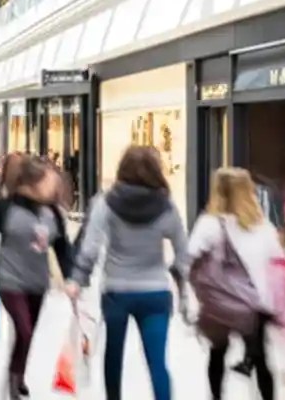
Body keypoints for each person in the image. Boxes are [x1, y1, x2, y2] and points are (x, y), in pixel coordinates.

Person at [67, 146, 189, 400]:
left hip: (116, 291)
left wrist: (78, 279)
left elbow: (89, 248)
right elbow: (183, 253)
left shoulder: (106, 202)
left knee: (113, 356)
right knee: (157, 362)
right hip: (155, 291)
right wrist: (181, 282)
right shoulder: (166, 206)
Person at [0, 157, 72, 399]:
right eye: (49, 182)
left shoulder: (52, 213)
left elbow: (61, 247)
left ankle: (18, 373)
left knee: (27, 334)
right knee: (24, 330)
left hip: (38, 282)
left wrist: (71, 278)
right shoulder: (6, 208)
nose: (54, 188)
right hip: (10, 280)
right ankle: (14, 379)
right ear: (32, 183)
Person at [189, 167, 284, 400]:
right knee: (261, 359)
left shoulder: (209, 223)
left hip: (221, 302)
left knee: (217, 355)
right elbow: (279, 261)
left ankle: (216, 396)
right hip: (257, 304)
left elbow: (189, 257)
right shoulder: (264, 227)